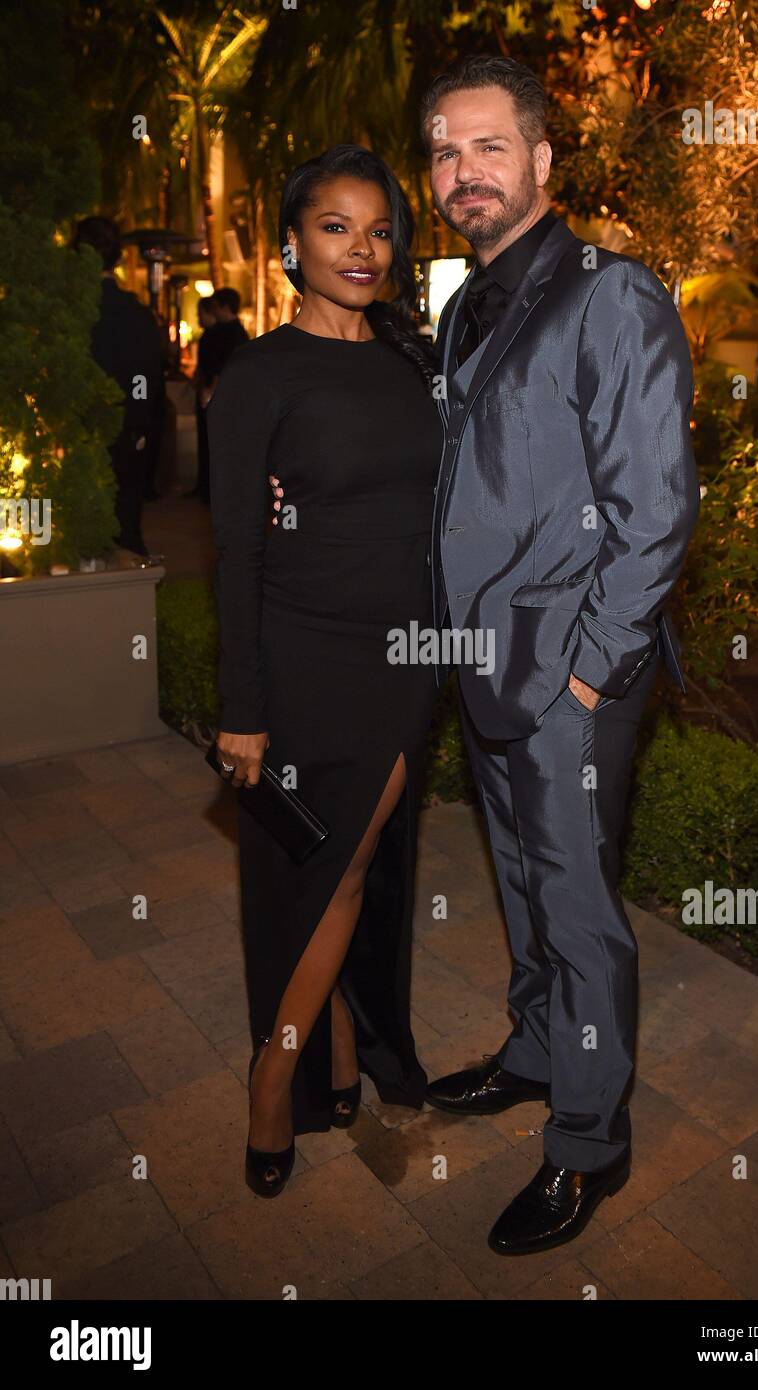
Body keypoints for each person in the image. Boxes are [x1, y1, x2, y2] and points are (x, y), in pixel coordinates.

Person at [420, 57, 701, 1255]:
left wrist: (588, 674)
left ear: (542, 160)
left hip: (569, 679)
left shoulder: (611, 293)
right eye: (443, 150)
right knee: (525, 884)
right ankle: (537, 1054)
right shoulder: (462, 302)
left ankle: (590, 1140)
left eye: (489, 146)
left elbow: (656, 514)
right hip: (485, 664)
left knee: (579, 912)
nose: (462, 170)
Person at [208, 146, 443, 1198]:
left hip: (404, 657)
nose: (362, 247)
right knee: (327, 868)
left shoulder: (411, 363)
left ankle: (319, 1053)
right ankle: (284, 1070)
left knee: (352, 862)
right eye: (336, 226)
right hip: (302, 659)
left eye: (381, 228)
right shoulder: (256, 375)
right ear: (293, 243)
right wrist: (243, 712)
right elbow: (236, 557)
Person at [73, 216, 165, 556]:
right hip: (126, 425)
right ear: (118, 258)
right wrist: (139, 418)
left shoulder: (70, 310)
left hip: (77, 428)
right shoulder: (136, 313)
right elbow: (146, 375)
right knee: (125, 514)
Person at [194, 288, 248, 505]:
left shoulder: (233, 333)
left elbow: (225, 367)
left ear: (224, 307)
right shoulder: (222, 331)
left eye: (216, 306)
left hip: (223, 396)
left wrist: (211, 390)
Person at [190, 294, 218, 503]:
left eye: (200, 314)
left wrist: (208, 390)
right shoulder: (208, 335)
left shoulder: (216, 336)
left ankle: (207, 489)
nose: (198, 318)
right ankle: (203, 487)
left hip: (211, 396)